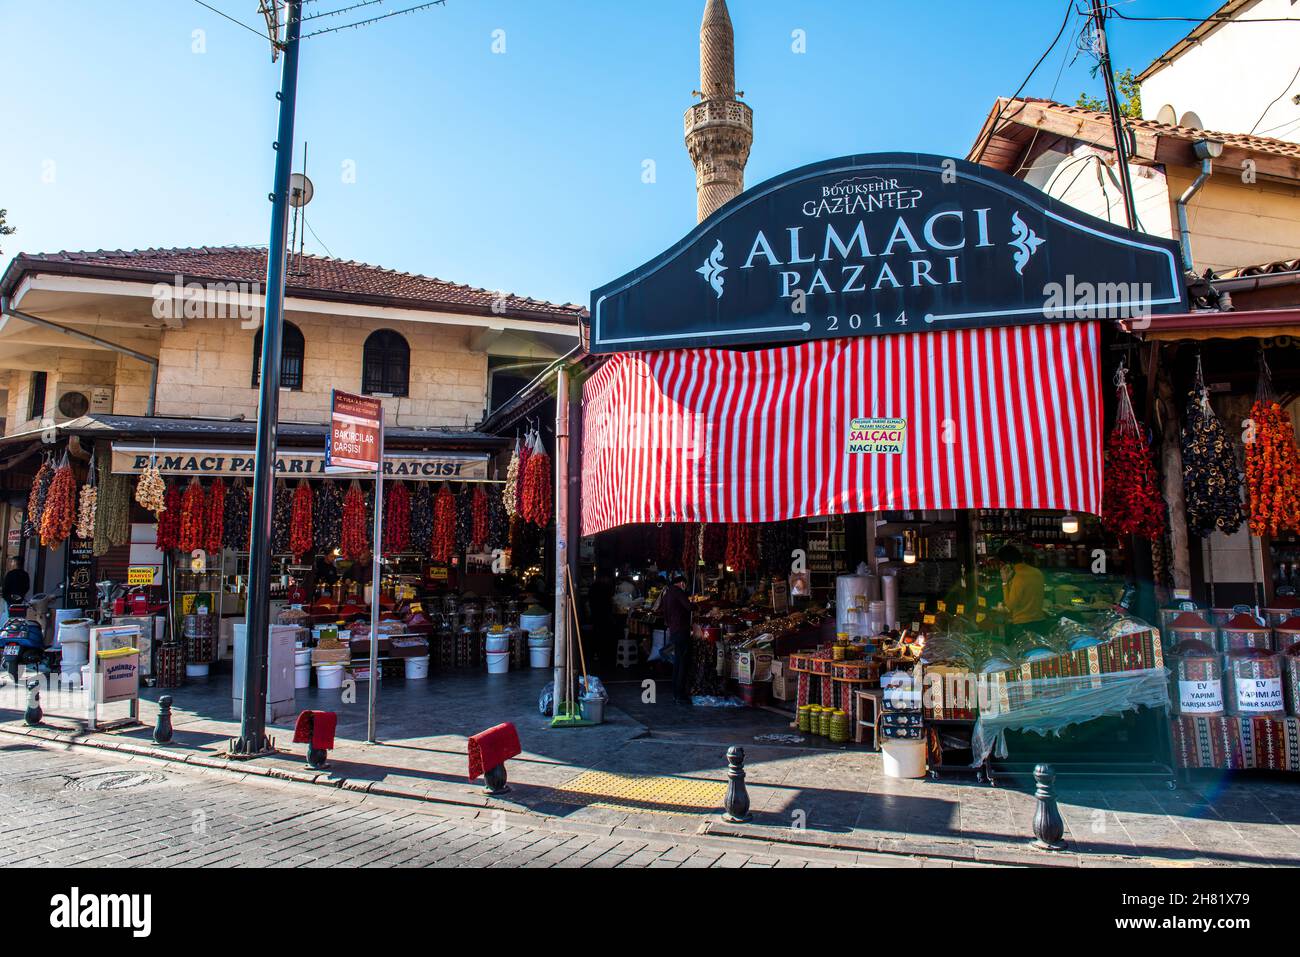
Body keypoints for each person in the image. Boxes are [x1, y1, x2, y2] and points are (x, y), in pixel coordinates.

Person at [997, 545, 1047, 638]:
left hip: (1023, 626)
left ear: (1007, 563)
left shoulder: (1018, 577)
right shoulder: (1037, 572)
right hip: (1040, 622)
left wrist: (1004, 582)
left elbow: (1010, 605)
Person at [659, 571, 693, 703]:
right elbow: (689, 607)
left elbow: (665, 615)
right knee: (682, 663)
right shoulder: (678, 592)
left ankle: (675, 692)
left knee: (677, 663)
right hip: (681, 631)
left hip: (674, 631)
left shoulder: (667, 594)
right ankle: (680, 694)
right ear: (682, 583)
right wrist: (697, 606)